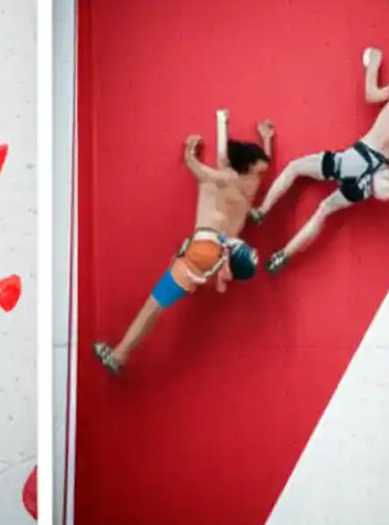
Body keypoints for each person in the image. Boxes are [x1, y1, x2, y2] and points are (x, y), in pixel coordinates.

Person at [92, 118, 271, 375]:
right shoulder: (251, 187)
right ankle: (120, 354)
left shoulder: (217, 180)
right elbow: (261, 163)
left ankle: (119, 356)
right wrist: (266, 138)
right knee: (164, 294)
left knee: (154, 305)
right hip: (216, 257)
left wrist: (189, 151)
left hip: (204, 251)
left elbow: (195, 168)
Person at [252, 48, 389, 273]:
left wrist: (373, 64)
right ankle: (283, 255)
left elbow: (371, 95)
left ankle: (262, 211)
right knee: (324, 210)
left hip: (358, 157)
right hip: (375, 176)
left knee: (295, 167)